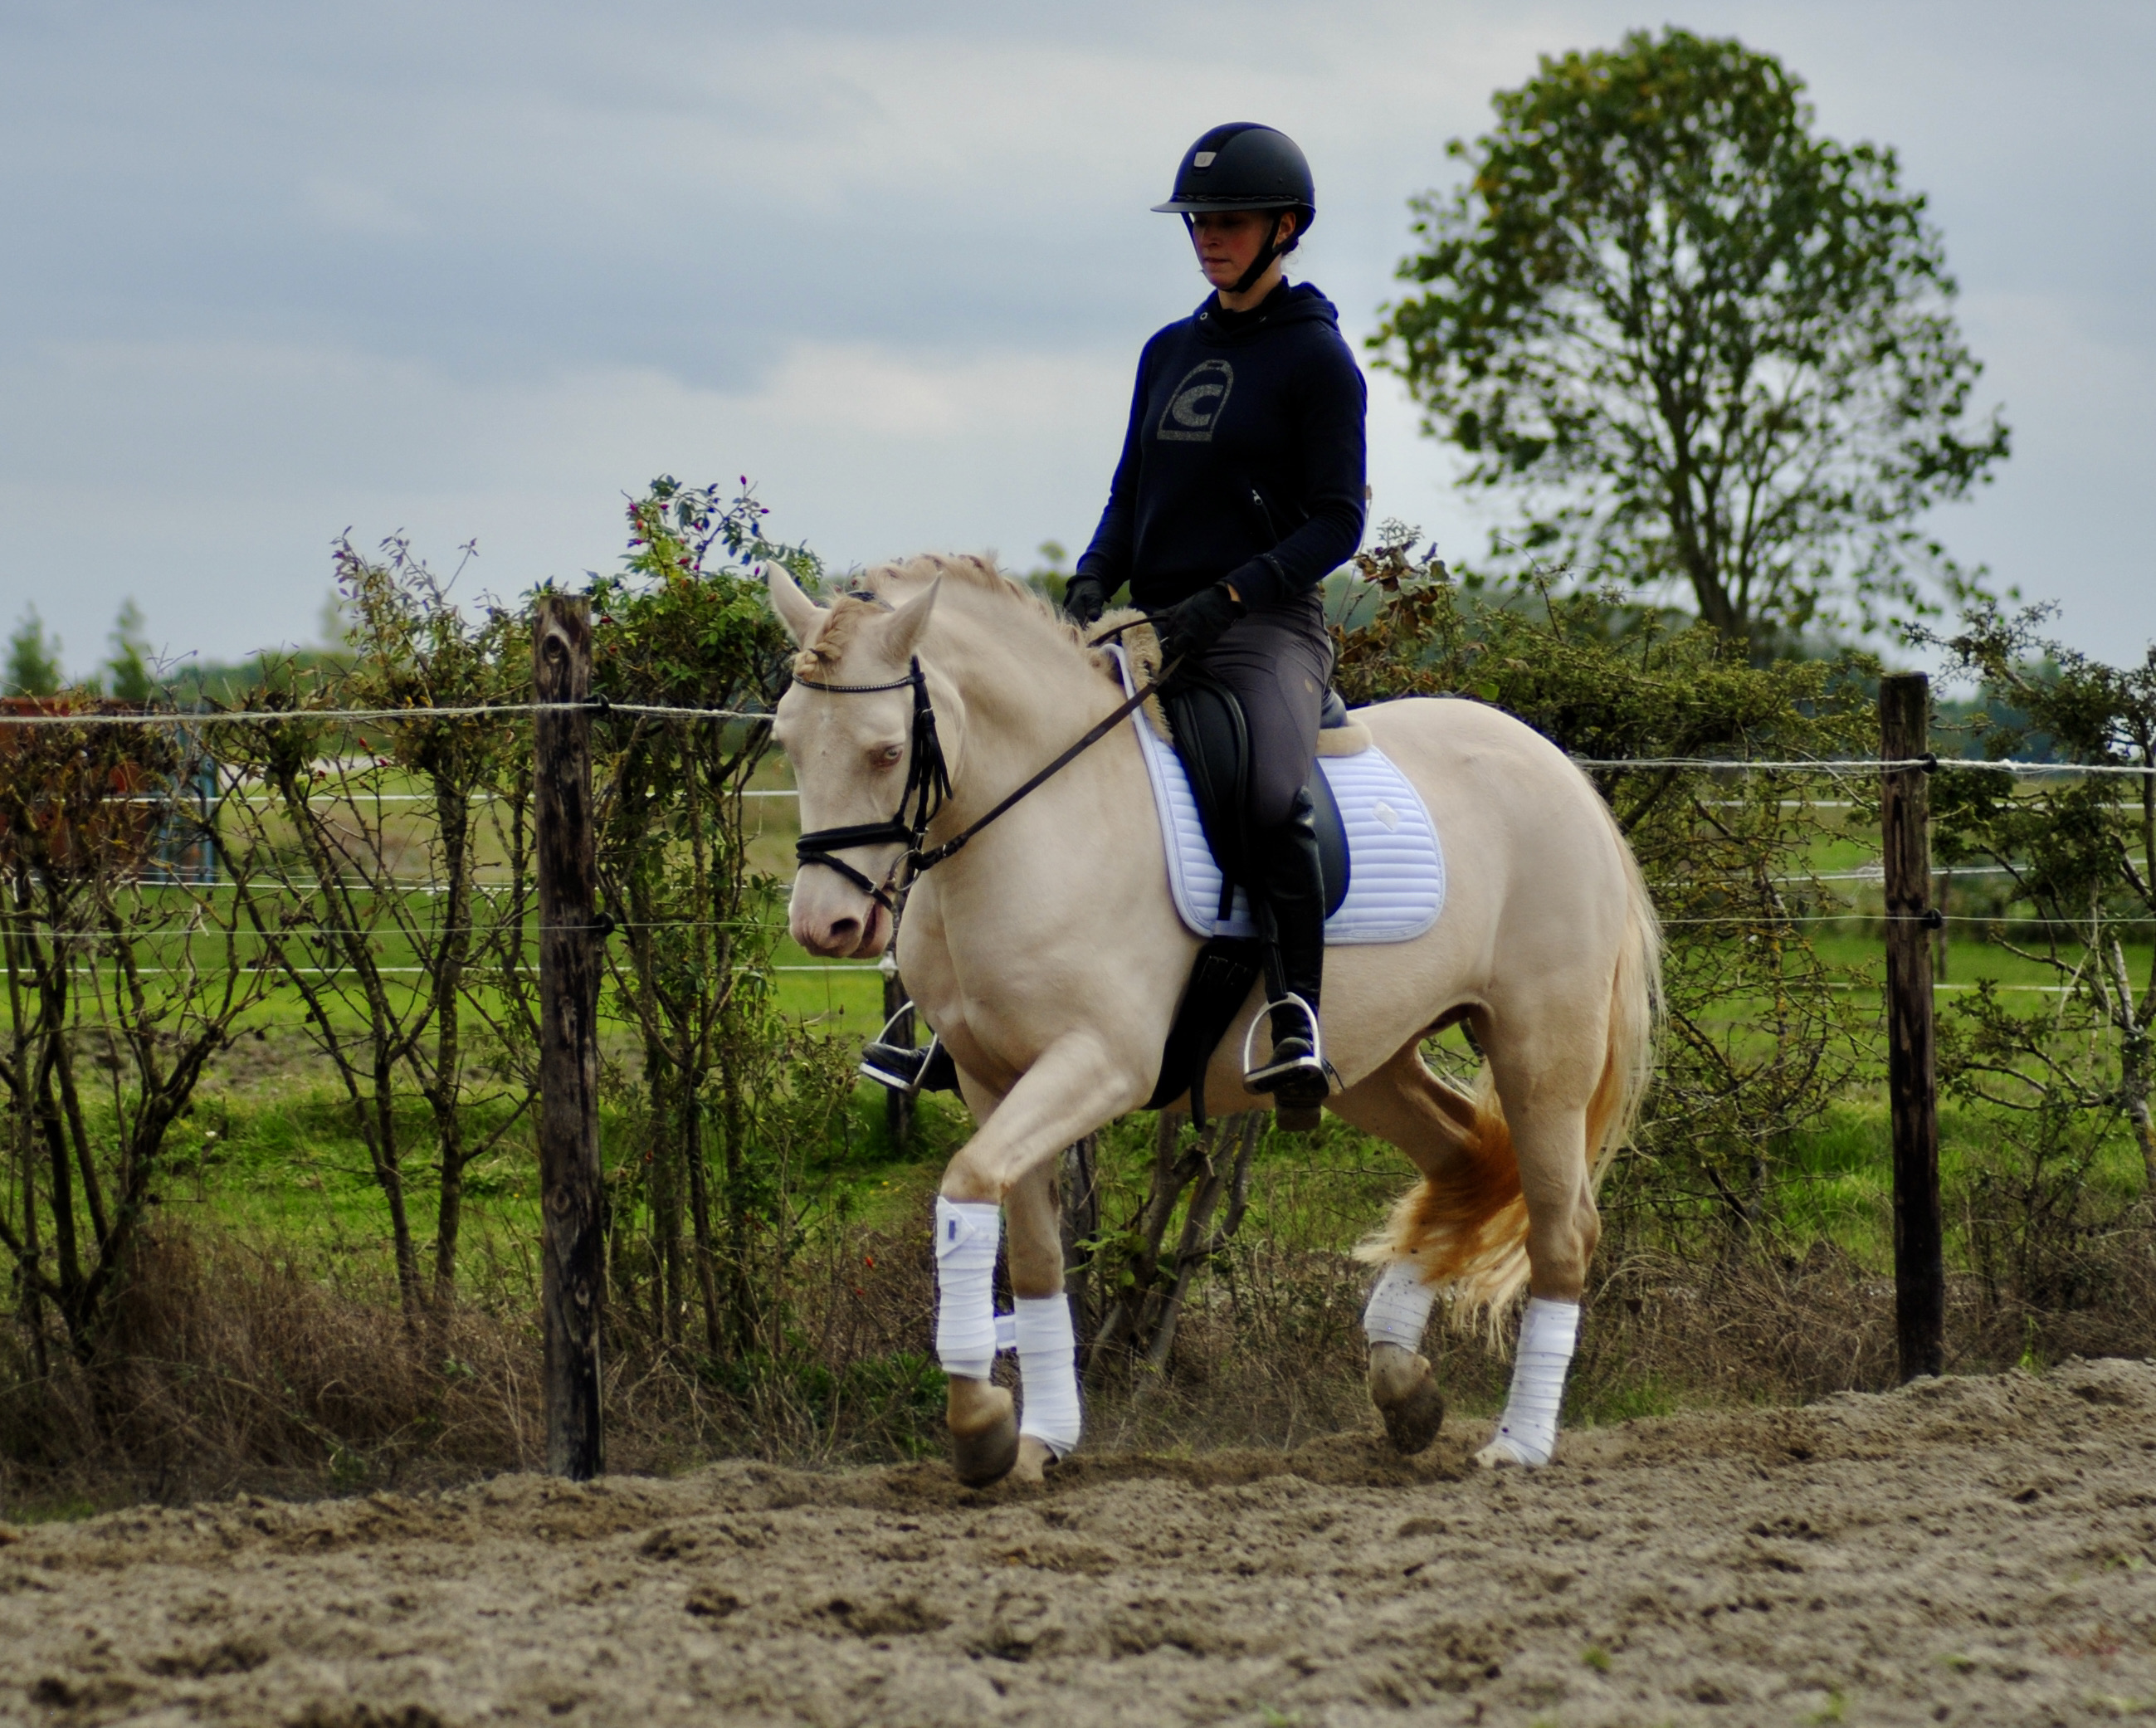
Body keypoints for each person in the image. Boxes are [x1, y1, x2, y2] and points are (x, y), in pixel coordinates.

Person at [1064, 121, 1367, 1111]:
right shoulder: (1168, 351)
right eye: (1198, 220)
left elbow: (1338, 521)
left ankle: (1296, 1018)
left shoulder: (1318, 362)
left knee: (1273, 798)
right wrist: (1089, 579)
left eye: (1228, 220)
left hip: (1264, 629)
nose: (1207, 236)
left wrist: (1231, 596)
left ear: (1286, 229)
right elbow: (1129, 491)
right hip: (1152, 624)